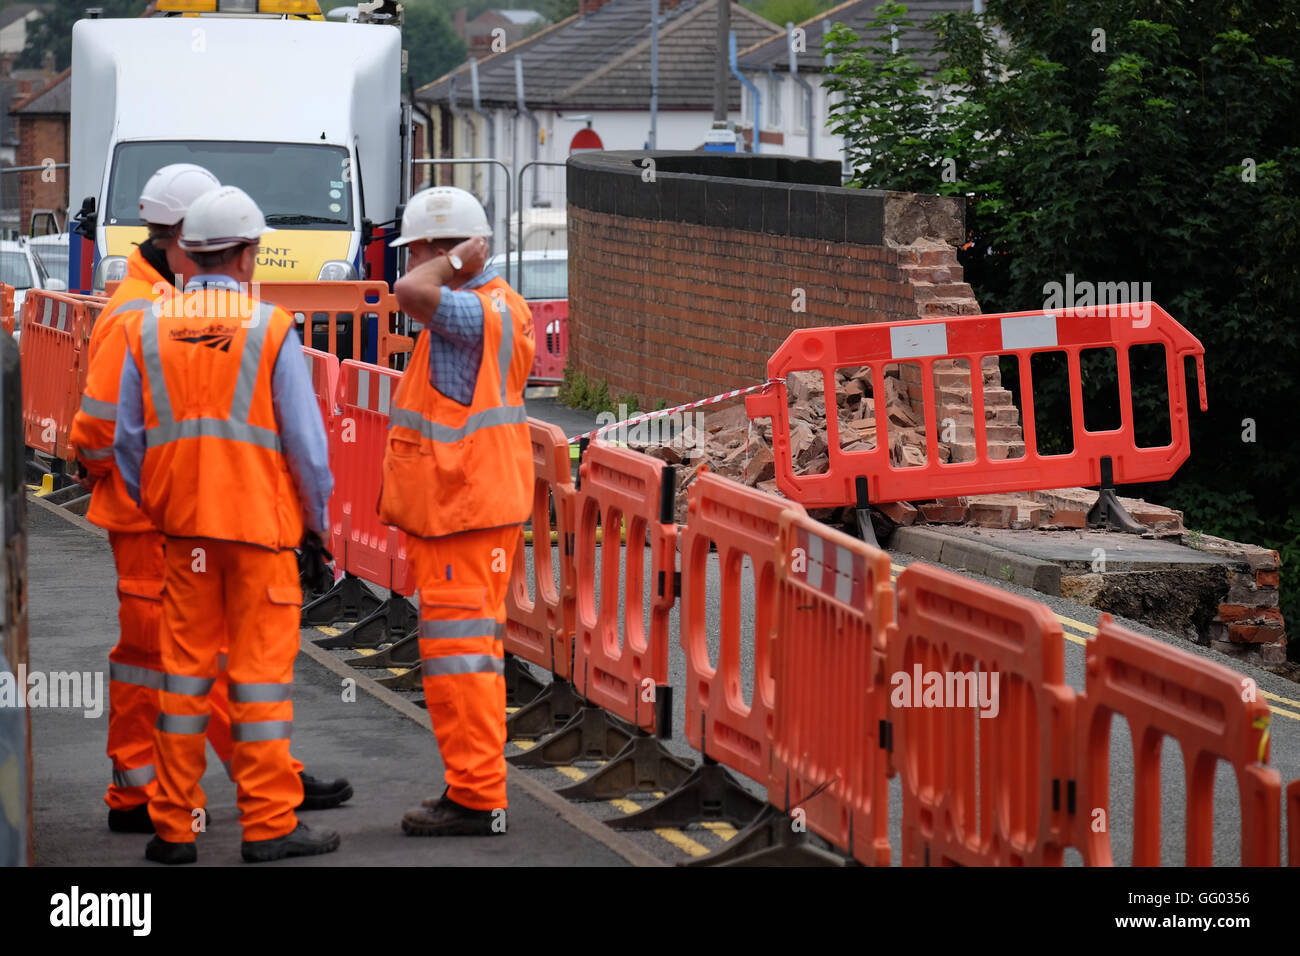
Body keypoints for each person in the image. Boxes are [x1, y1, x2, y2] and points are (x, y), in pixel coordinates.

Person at [69, 165, 352, 837]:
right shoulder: (253, 323)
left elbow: (124, 438)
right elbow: (306, 448)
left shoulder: (151, 317)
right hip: (232, 527)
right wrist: (317, 527)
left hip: (173, 524)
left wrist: (156, 498)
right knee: (223, 670)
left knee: (184, 669)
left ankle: (177, 815)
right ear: (243, 251)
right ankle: (257, 811)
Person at [379, 186, 535, 836]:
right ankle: (474, 789)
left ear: (451, 251)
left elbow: (409, 292)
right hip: (470, 510)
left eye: (419, 249)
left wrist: (453, 261)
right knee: (470, 657)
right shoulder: (496, 307)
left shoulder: (471, 311)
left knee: (460, 661)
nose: (411, 262)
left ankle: (475, 797)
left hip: (462, 514)